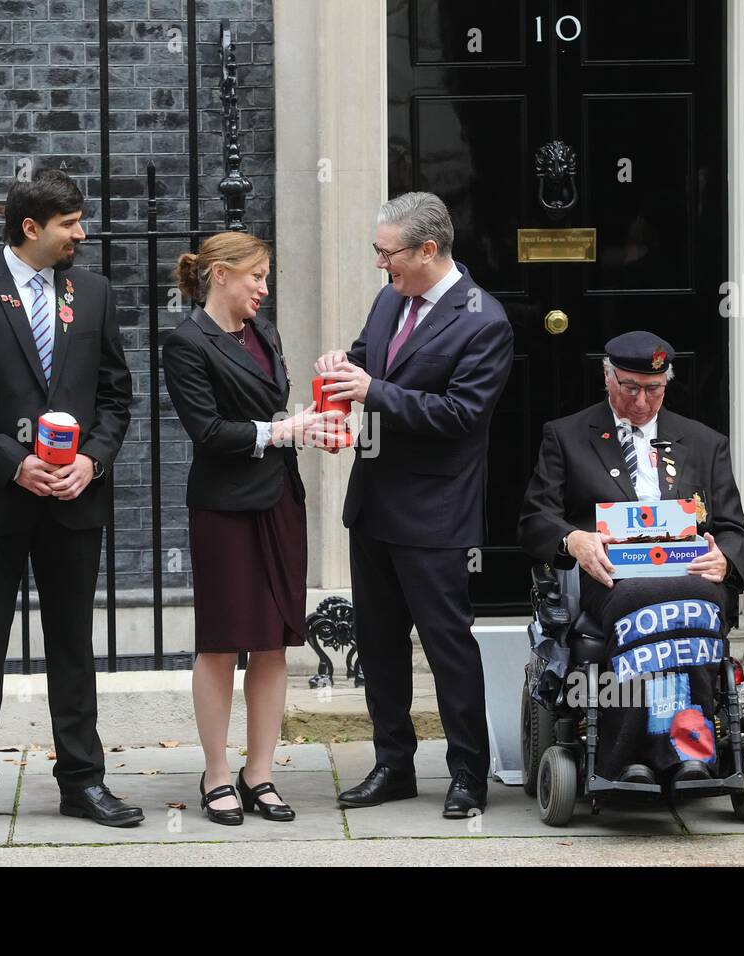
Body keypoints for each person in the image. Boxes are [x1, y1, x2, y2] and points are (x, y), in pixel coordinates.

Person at [0, 170, 142, 833]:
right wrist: (15, 465)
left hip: (75, 499)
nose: (82, 232)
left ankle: (82, 781)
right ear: (30, 228)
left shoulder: (94, 293)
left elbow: (115, 395)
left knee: (73, 645)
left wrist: (91, 460)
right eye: (70, 223)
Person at [315, 191, 515, 818]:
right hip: (373, 503)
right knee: (378, 645)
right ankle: (392, 765)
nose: (381, 264)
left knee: (447, 645)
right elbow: (370, 355)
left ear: (429, 250)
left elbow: (461, 415)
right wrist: (341, 365)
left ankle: (467, 774)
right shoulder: (389, 298)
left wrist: (373, 389)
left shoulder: (485, 321)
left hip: (435, 513)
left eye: (387, 252)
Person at [517, 331, 744, 784]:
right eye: (630, 387)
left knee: (685, 600)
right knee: (645, 600)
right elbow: (534, 519)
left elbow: (735, 529)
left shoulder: (704, 442)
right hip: (612, 579)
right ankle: (651, 752)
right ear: (607, 377)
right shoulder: (567, 436)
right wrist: (573, 540)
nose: (642, 401)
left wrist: (725, 558)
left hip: (690, 574)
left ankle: (668, 751)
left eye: (654, 388)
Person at [162, 232, 341, 826]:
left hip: (279, 500)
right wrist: (285, 431)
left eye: (267, 277)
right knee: (220, 643)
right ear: (219, 274)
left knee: (272, 641)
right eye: (256, 276)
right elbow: (209, 433)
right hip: (223, 508)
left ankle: (259, 772)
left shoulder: (263, 333)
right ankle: (216, 773)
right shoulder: (186, 342)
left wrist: (308, 427)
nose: (264, 289)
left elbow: (274, 413)